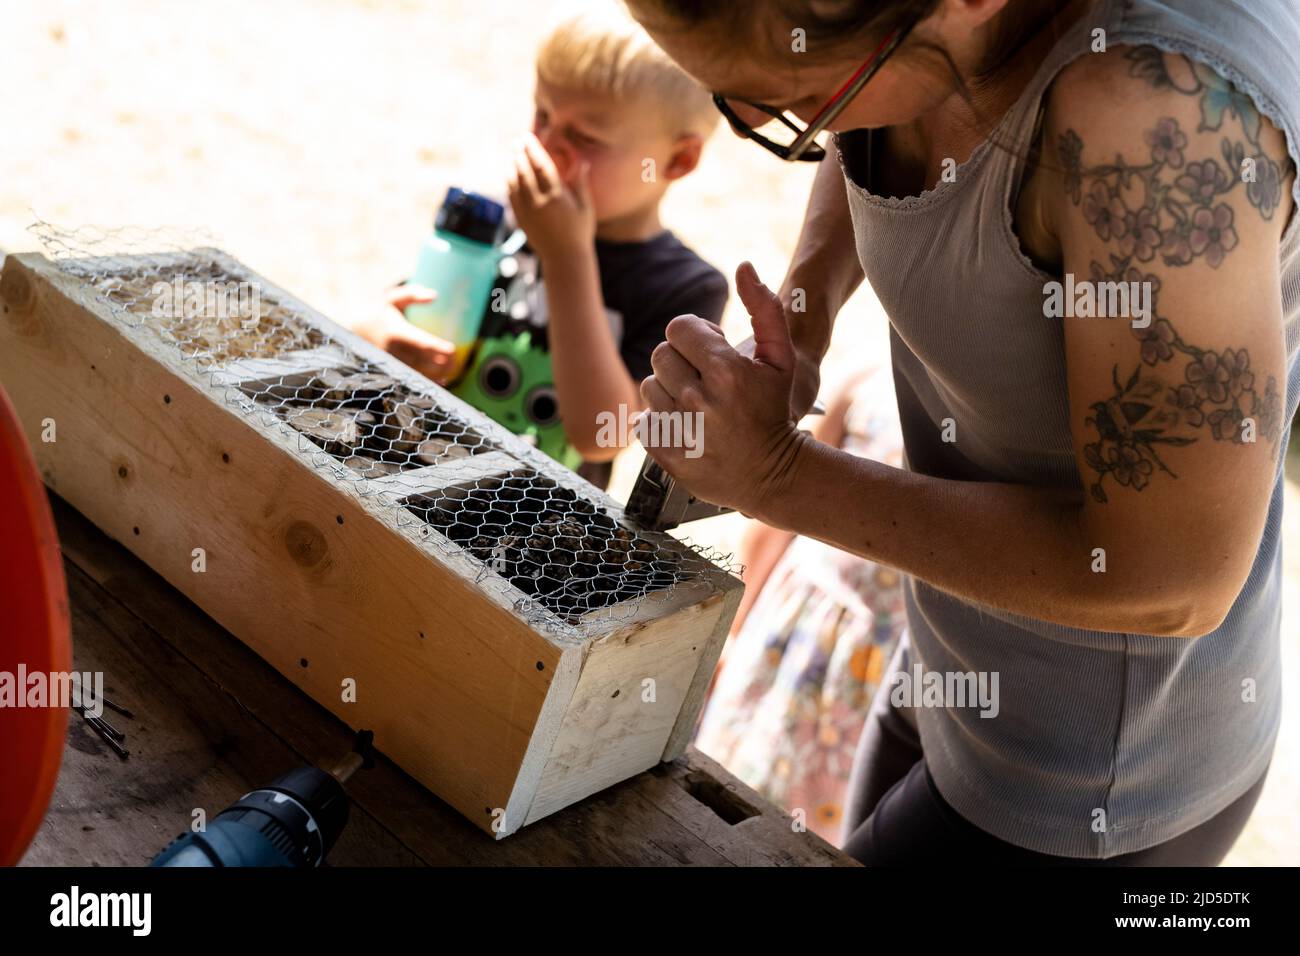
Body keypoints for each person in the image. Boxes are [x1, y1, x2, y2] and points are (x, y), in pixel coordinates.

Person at [625, 0, 1298, 864]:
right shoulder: (924, 39)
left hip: (1086, 777)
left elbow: (1173, 580)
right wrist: (806, 316)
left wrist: (778, 478)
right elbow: (886, 116)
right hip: (955, 657)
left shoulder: (1153, 126)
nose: (759, 122)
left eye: (794, 104)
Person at [352, 8, 729, 488]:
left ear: (677, 159)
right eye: (543, 115)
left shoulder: (684, 289)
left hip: (527, 527)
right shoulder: (501, 218)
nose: (545, 145)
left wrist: (567, 256)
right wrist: (378, 331)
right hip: (404, 473)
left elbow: (601, 432)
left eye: (583, 137)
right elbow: (388, 317)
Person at [693, 365, 907, 844]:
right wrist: (731, 634)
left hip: (878, 679)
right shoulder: (870, 381)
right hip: (793, 636)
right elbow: (773, 513)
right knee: (727, 779)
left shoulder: (997, 438)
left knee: (810, 830)